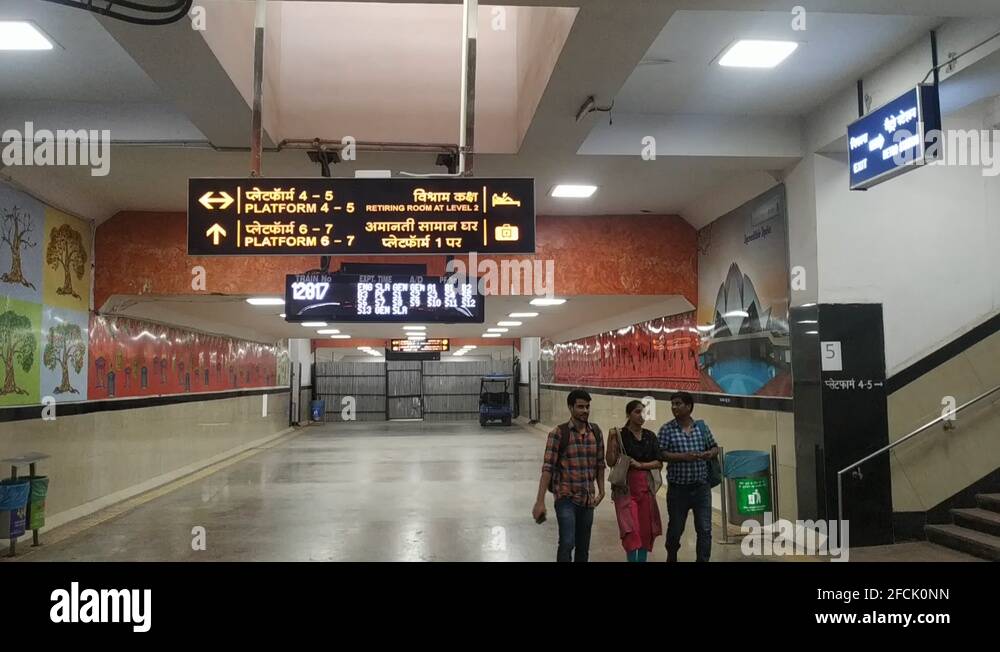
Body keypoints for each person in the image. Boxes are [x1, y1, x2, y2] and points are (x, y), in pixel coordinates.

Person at [532, 389, 606, 562]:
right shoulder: (558, 433)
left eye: (587, 407)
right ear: (570, 408)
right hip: (566, 498)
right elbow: (547, 468)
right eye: (580, 407)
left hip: (588, 500)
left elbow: (600, 464)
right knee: (567, 542)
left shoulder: (596, 432)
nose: (585, 411)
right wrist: (540, 500)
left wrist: (601, 491)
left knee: (583, 547)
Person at [657, 391, 719, 562]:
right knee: (676, 528)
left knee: (705, 529)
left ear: (689, 406)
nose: (674, 407)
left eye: (678, 403)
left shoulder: (702, 427)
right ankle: (672, 556)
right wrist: (683, 457)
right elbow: (660, 454)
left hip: (701, 488)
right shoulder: (667, 429)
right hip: (678, 490)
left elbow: (715, 447)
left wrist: (709, 453)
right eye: (673, 404)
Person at [607, 400, 663, 562]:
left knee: (645, 531)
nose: (641, 415)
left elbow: (659, 462)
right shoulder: (620, 435)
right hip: (625, 489)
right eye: (637, 412)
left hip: (645, 489)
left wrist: (640, 464)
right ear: (629, 414)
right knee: (631, 531)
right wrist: (611, 440)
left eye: (643, 412)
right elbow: (610, 461)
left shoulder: (650, 436)